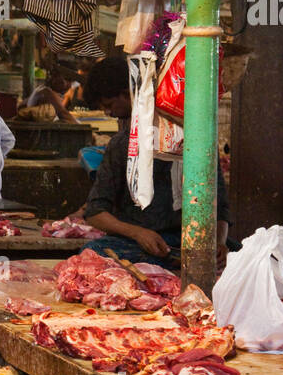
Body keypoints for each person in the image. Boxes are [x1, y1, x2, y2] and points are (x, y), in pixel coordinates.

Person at [81, 56, 231, 268]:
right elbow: (95, 213)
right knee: (92, 254)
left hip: (190, 243)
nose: (108, 112)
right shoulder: (122, 144)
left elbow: (220, 206)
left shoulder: (198, 141)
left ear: (128, 94)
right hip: (138, 244)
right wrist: (139, 234)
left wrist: (219, 242)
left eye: (109, 104)